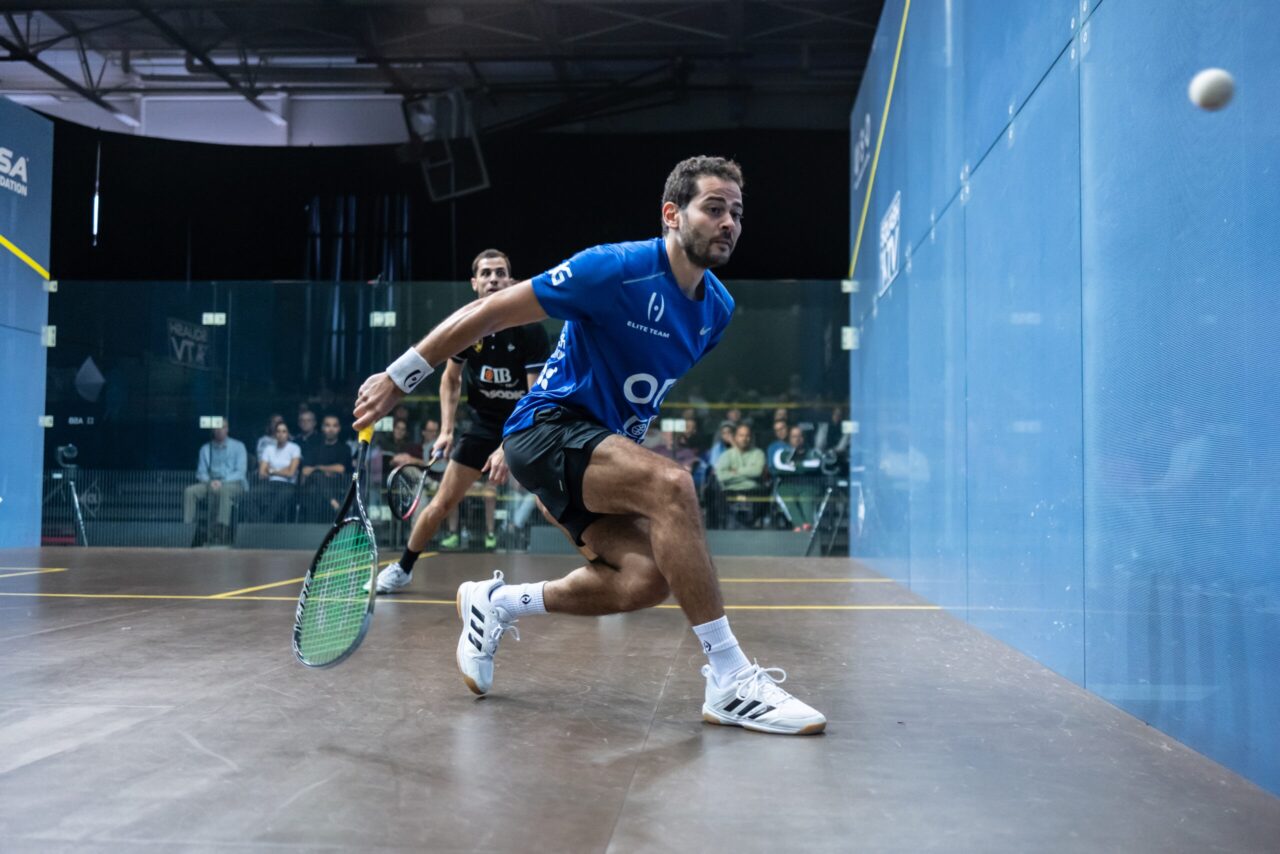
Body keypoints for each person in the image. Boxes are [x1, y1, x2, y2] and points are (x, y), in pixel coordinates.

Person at [355, 156, 824, 735]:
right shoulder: (614, 269)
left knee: (645, 578)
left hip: (592, 452)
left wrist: (609, 466)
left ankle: (495, 603)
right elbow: (488, 312)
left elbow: (636, 391)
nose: (729, 222)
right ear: (672, 215)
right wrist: (400, 376)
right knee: (672, 484)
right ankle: (730, 679)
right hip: (544, 428)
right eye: (714, 207)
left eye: (737, 212)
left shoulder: (718, 312)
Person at [370, 248, 550, 591]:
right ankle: (403, 569)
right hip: (482, 426)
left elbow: (534, 397)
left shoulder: (530, 331)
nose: (493, 278)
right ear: (475, 283)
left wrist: (507, 446)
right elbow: (449, 379)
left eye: (500, 272)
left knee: (550, 505)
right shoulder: (467, 327)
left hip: (527, 424)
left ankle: (606, 566)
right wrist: (447, 430)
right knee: (441, 504)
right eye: (486, 273)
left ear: (511, 281)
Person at [183, 420, 248, 544]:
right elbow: (200, 472)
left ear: (227, 429)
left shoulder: (238, 446)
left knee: (222, 491)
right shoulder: (205, 449)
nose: (219, 430)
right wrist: (210, 481)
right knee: (189, 491)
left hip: (233, 483)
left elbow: (240, 472)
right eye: (216, 428)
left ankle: (221, 532)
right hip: (211, 483)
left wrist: (222, 482)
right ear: (213, 430)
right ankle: (187, 529)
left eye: (222, 427)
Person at [300, 414, 354, 521]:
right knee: (316, 479)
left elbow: (341, 469)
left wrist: (318, 467)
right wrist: (325, 471)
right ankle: (335, 504)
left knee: (316, 477)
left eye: (334, 426)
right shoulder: (314, 448)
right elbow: (305, 471)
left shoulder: (344, 448)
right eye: (327, 425)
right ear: (322, 428)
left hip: (337, 486)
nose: (331, 429)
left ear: (339, 429)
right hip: (315, 490)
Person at [715, 423, 768, 528]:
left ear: (751, 438)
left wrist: (735, 471)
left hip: (753, 491)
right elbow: (721, 476)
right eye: (741, 435)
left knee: (763, 494)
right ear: (735, 437)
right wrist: (748, 475)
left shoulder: (758, 453)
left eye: (747, 436)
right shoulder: (726, 455)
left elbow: (757, 472)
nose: (744, 439)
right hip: (731, 491)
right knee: (717, 496)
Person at [772, 425, 823, 530]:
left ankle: (807, 527)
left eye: (800, 436)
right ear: (789, 439)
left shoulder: (814, 453)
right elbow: (778, 468)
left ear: (804, 438)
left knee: (807, 503)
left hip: (808, 486)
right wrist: (803, 467)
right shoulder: (781, 454)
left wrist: (792, 466)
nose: (797, 439)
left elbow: (816, 465)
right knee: (788, 500)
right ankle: (799, 526)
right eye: (794, 436)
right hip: (786, 486)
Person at [254, 420, 301, 522]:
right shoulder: (268, 449)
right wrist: (282, 470)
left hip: (288, 485)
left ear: (288, 434)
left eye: (284, 431)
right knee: (248, 497)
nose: (281, 434)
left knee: (281, 497)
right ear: (275, 434)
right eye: (278, 431)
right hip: (270, 483)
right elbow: (262, 473)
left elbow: (291, 473)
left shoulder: (294, 448)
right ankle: (258, 522)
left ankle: (262, 524)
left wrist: (271, 470)